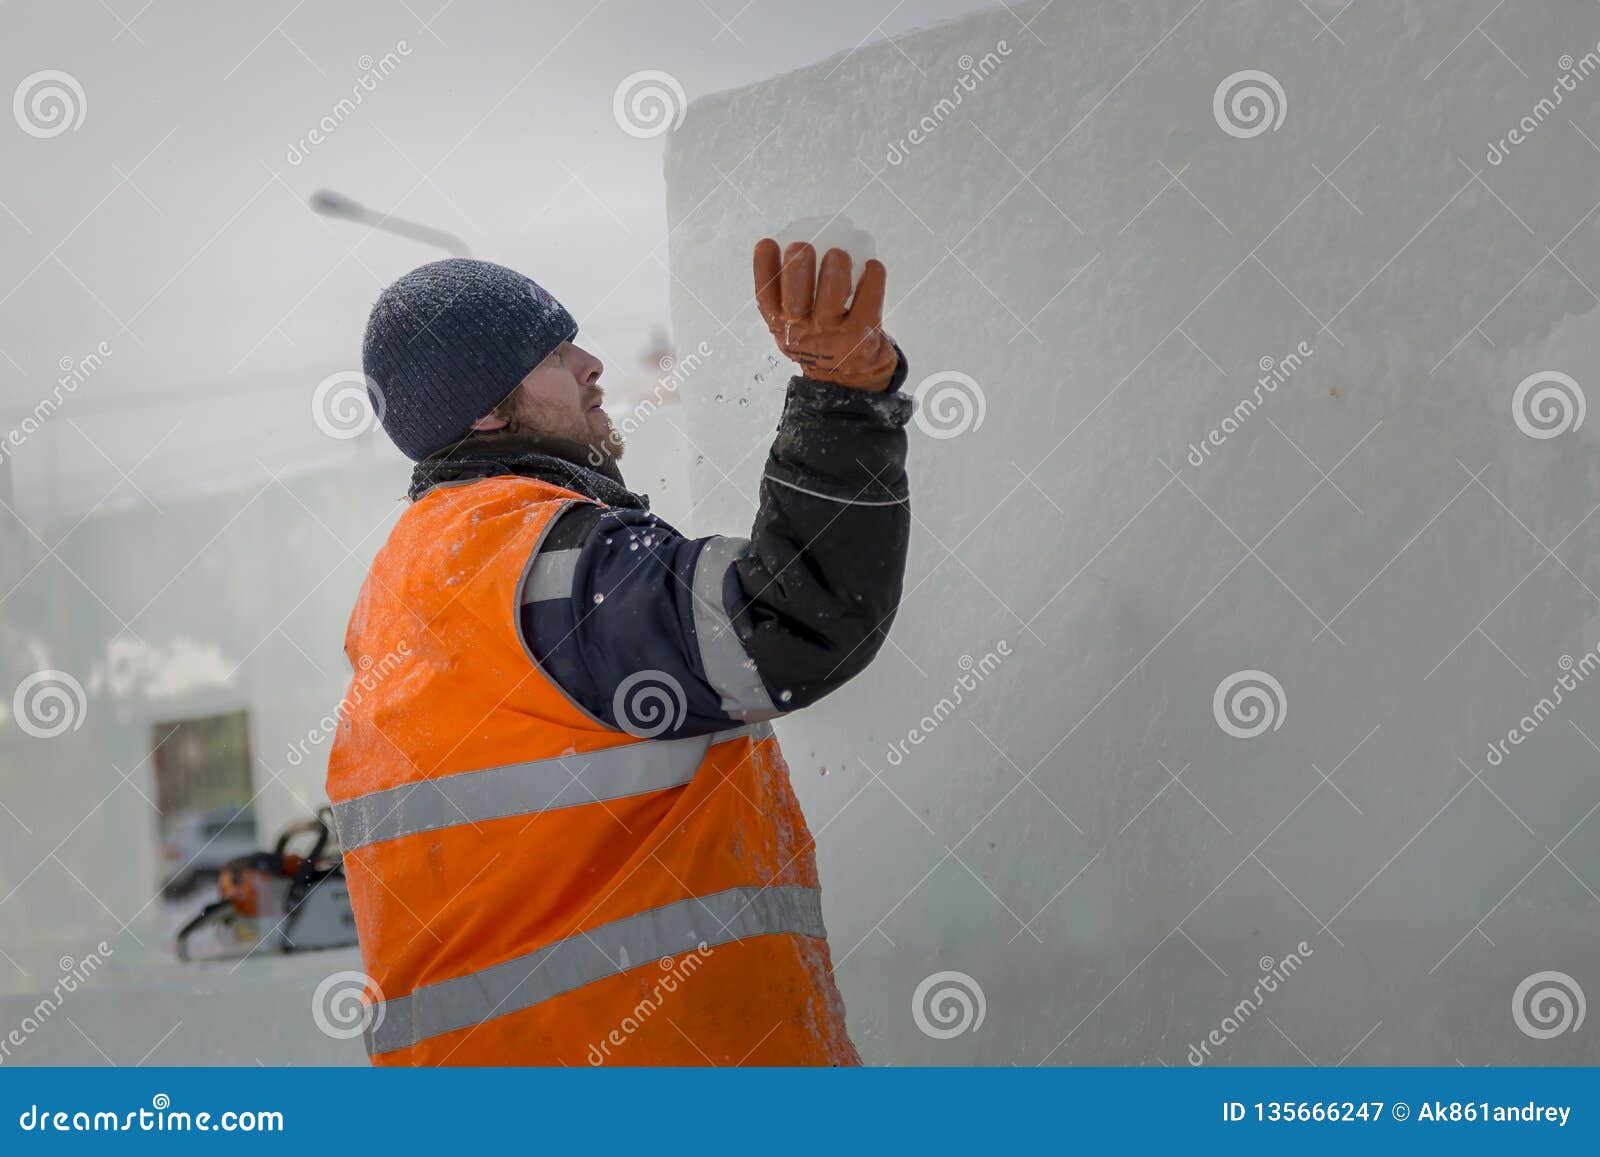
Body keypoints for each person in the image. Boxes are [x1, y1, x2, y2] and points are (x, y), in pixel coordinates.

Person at [325, 240, 912, 1065]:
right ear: (489, 414)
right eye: (555, 354)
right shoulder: (532, 560)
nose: (593, 363)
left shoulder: (409, 584)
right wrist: (844, 397)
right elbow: (788, 622)